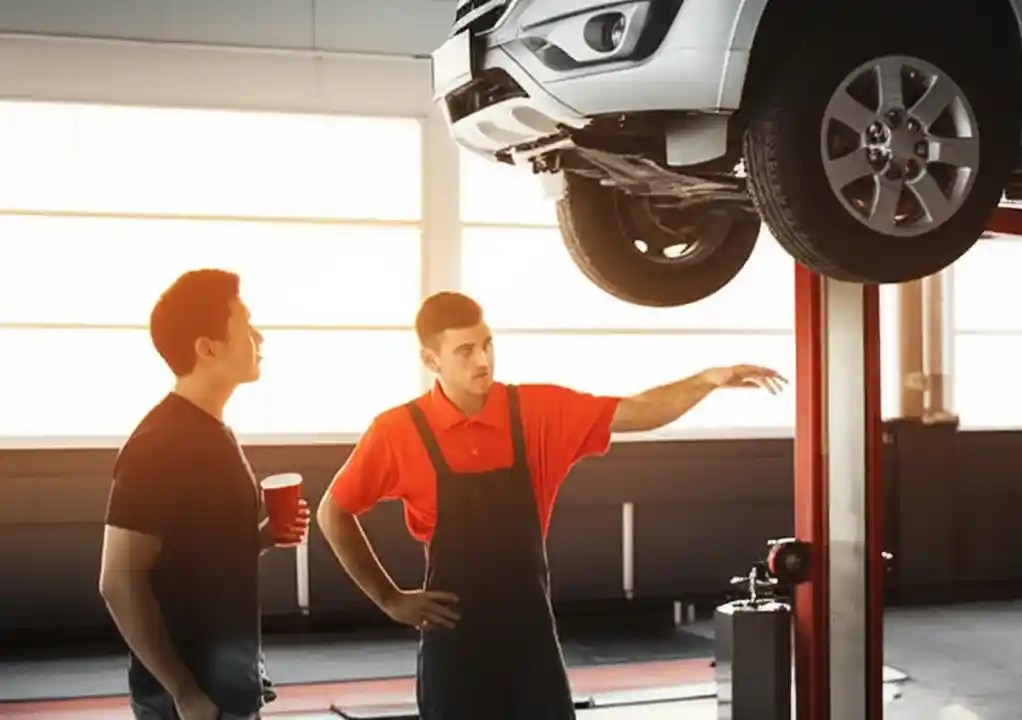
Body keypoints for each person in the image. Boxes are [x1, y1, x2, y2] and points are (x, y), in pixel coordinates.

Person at [316, 291, 785, 720]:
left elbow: (638, 410)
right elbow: (332, 511)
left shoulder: (535, 411)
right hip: (454, 646)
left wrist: (707, 379)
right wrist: (389, 598)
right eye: (465, 351)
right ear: (430, 359)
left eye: (487, 344)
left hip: (531, 641)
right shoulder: (398, 431)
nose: (483, 360)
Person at [98, 269, 310, 720]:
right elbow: (118, 580)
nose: (260, 338)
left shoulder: (215, 433)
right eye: (247, 325)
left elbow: (198, 556)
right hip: (192, 700)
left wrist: (263, 536)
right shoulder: (158, 444)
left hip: (228, 685)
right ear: (207, 347)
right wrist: (184, 691)